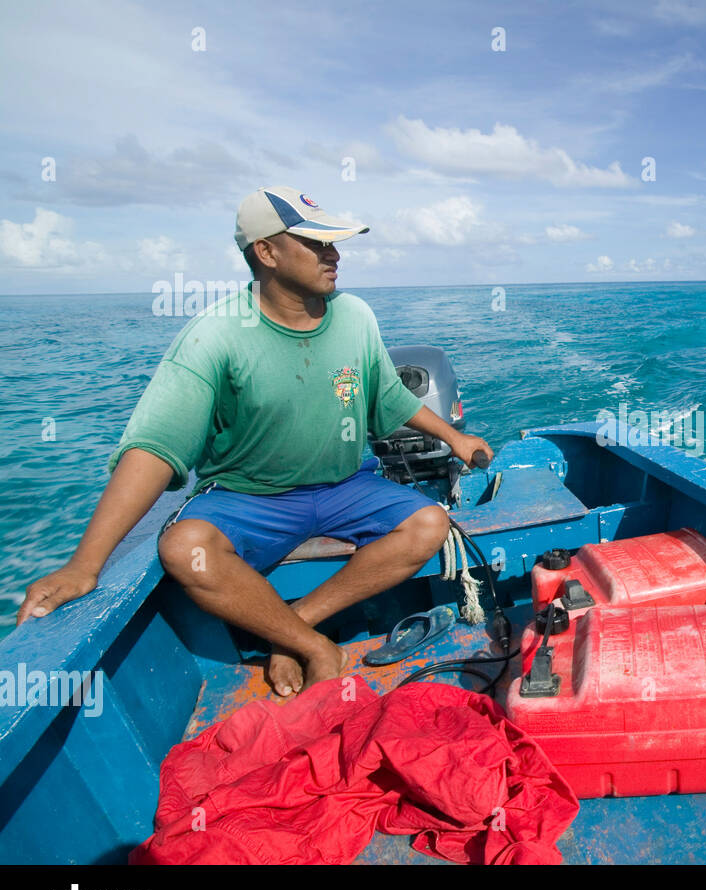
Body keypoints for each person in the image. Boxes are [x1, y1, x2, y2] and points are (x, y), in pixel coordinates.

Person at [16, 187, 492, 695]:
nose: (334, 255)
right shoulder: (215, 335)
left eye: (335, 243)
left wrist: (454, 438)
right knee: (185, 548)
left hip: (343, 486)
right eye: (317, 244)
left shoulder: (356, 317)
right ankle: (315, 646)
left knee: (429, 523)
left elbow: (389, 397)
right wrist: (84, 566)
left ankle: (295, 625)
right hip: (249, 497)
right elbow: (155, 448)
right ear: (266, 252)